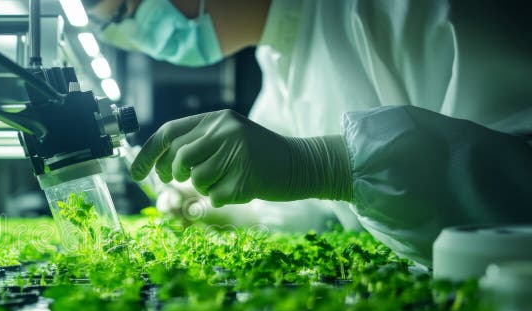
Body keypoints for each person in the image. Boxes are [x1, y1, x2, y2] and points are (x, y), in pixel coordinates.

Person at [86, 0, 532, 267]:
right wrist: (215, 206)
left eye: (126, 11)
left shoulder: (414, 10)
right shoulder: (280, 58)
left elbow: (518, 183)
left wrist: (328, 167)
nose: (132, 36)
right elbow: (305, 209)